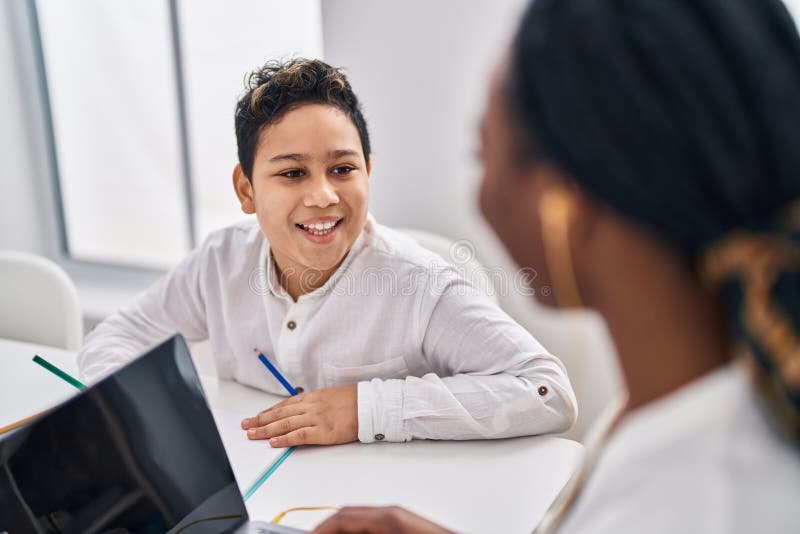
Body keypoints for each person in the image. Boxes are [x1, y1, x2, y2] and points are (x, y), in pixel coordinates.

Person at [311, 0, 800, 532]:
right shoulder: (713, 394)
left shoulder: (693, 502)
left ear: (564, 207)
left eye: (482, 153)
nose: (480, 197)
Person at [77, 58, 577, 449]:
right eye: (292, 173)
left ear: (368, 172)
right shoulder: (219, 263)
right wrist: (126, 405)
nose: (323, 196)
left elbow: (547, 392)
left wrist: (364, 409)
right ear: (246, 189)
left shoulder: (418, 284)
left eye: (342, 169)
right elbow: (121, 334)